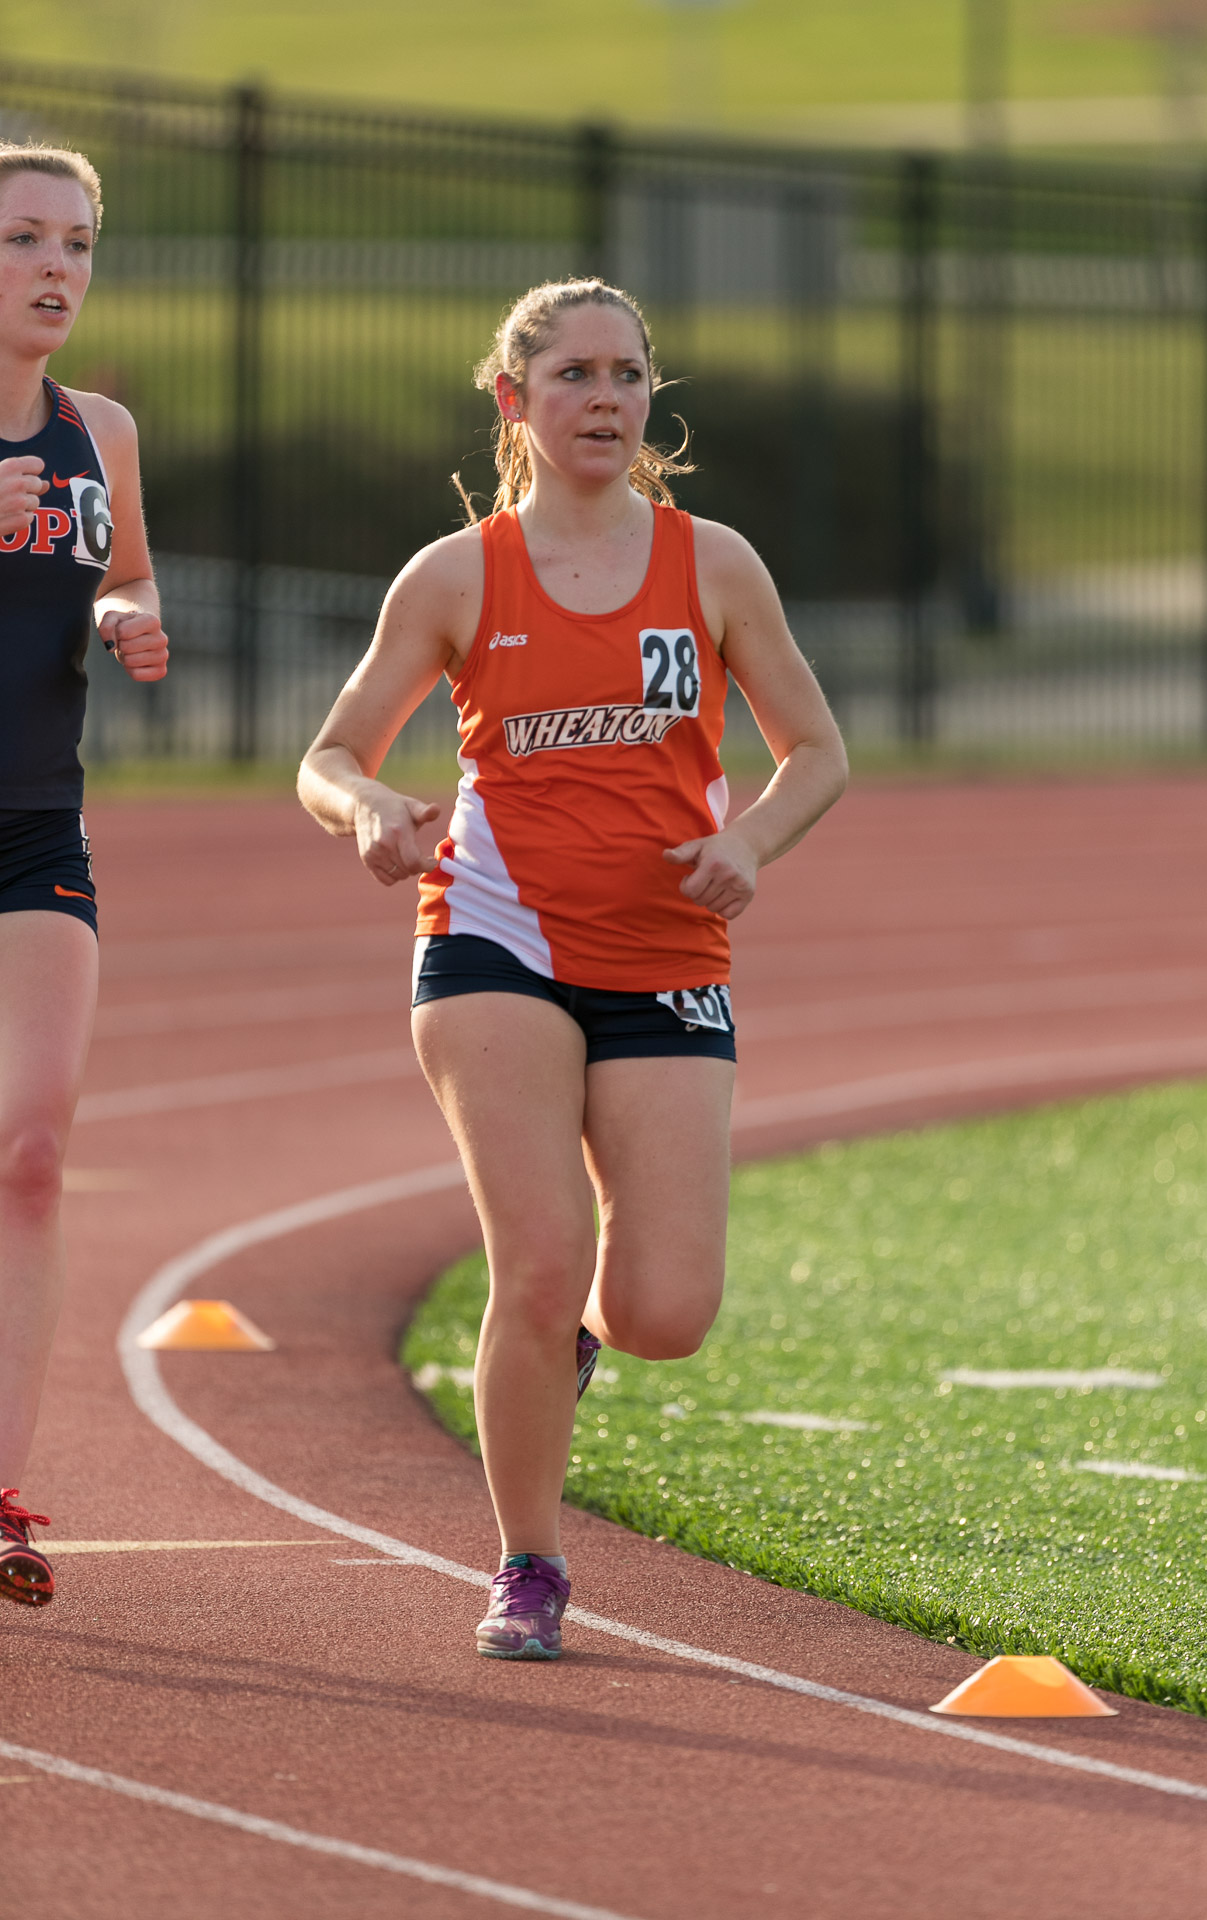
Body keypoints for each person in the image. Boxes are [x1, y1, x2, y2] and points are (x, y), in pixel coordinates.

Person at [298, 277, 846, 1659]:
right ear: (516, 400)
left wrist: (755, 843)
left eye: (627, 375)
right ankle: (528, 1564)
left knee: (664, 1312)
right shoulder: (458, 573)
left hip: (667, 946)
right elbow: (330, 752)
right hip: (494, 938)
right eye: (575, 376)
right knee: (539, 1266)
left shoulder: (711, 561)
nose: (604, 400)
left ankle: (579, 1347)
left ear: (650, 398)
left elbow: (817, 751)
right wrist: (368, 814)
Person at [0, 144, 169, 1608]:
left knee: (33, 1156)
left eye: (78, 242)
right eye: (25, 239)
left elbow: (128, 572)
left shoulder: (97, 428)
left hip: (38, 832)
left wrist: (127, 614)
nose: (58, 265)